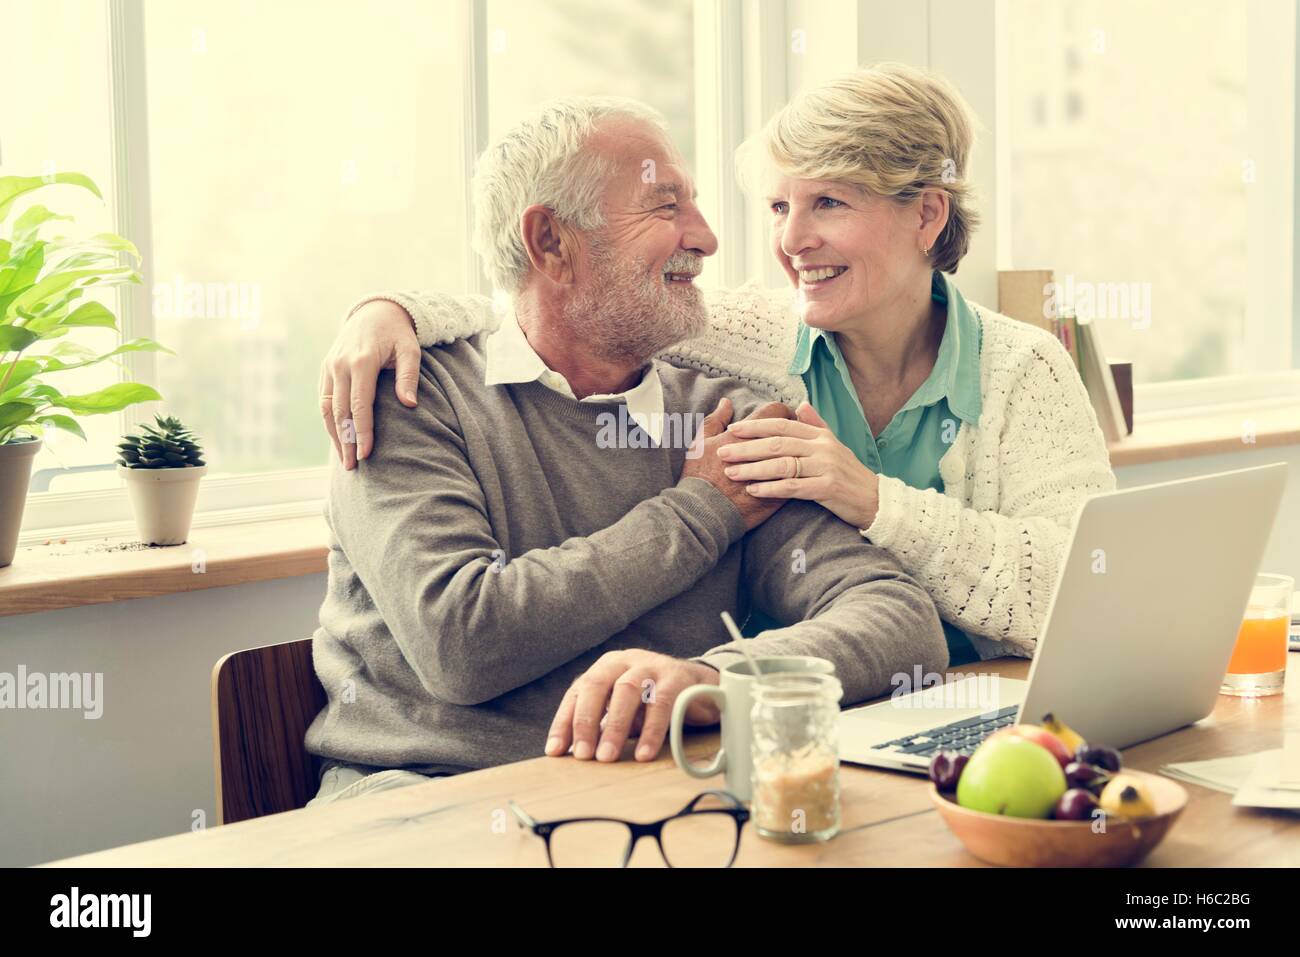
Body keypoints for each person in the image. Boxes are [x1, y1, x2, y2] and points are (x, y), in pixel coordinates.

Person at [323, 63, 1116, 668]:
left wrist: (870, 498)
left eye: (829, 203)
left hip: (988, 697)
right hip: (806, 732)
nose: (786, 241)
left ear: (927, 214)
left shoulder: (1023, 370)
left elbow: (1082, 592)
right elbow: (536, 302)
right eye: (779, 206)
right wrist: (389, 311)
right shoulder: (742, 344)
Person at [305, 95, 946, 806]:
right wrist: (700, 511)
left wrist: (712, 680)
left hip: (658, 800)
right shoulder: (403, 395)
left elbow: (899, 620)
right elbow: (463, 642)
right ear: (550, 242)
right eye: (664, 206)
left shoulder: (721, 416)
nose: (705, 237)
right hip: (425, 802)